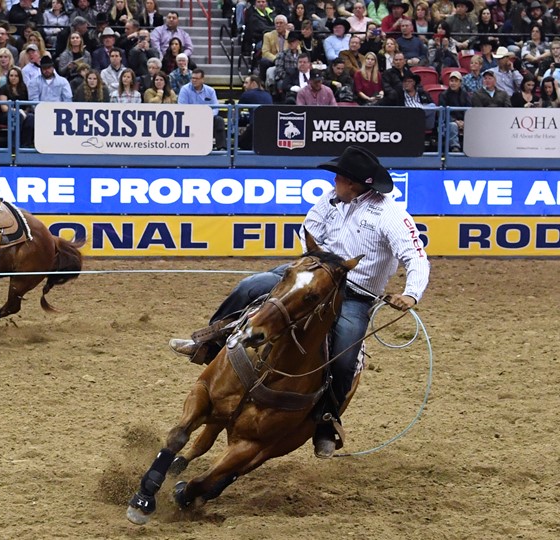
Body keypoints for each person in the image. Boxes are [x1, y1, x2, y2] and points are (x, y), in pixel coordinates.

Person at [168, 145, 430, 458]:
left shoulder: (391, 215)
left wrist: (411, 293)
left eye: (338, 177)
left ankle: (326, 420)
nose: (334, 181)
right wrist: (314, 261)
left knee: (344, 356)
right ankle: (208, 342)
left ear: (353, 183)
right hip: (310, 276)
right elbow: (309, 228)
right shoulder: (330, 200)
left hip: (354, 294)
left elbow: (416, 256)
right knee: (250, 287)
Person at [178, 69, 226, 150]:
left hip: (206, 118)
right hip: (189, 118)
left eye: (196, 78)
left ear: (202, 80)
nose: (194, 80)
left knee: (219, 120)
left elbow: (215, 108)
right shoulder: (184, 89)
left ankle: (222, 148)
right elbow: (182, 108)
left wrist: (206, 116)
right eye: (192, 78)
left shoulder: (210, 91)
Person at [438, 70, 469, 152]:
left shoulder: (465, 95)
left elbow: (469, 110)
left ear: (460, 83)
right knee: (453, 125)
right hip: (449, 121)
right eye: (451, 81)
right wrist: (455, 121)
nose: (453, 83)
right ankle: (455, 147)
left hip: (463, 120)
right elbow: (443, 113)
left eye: (456, 81)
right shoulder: (443, 95)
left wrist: (464, 121)